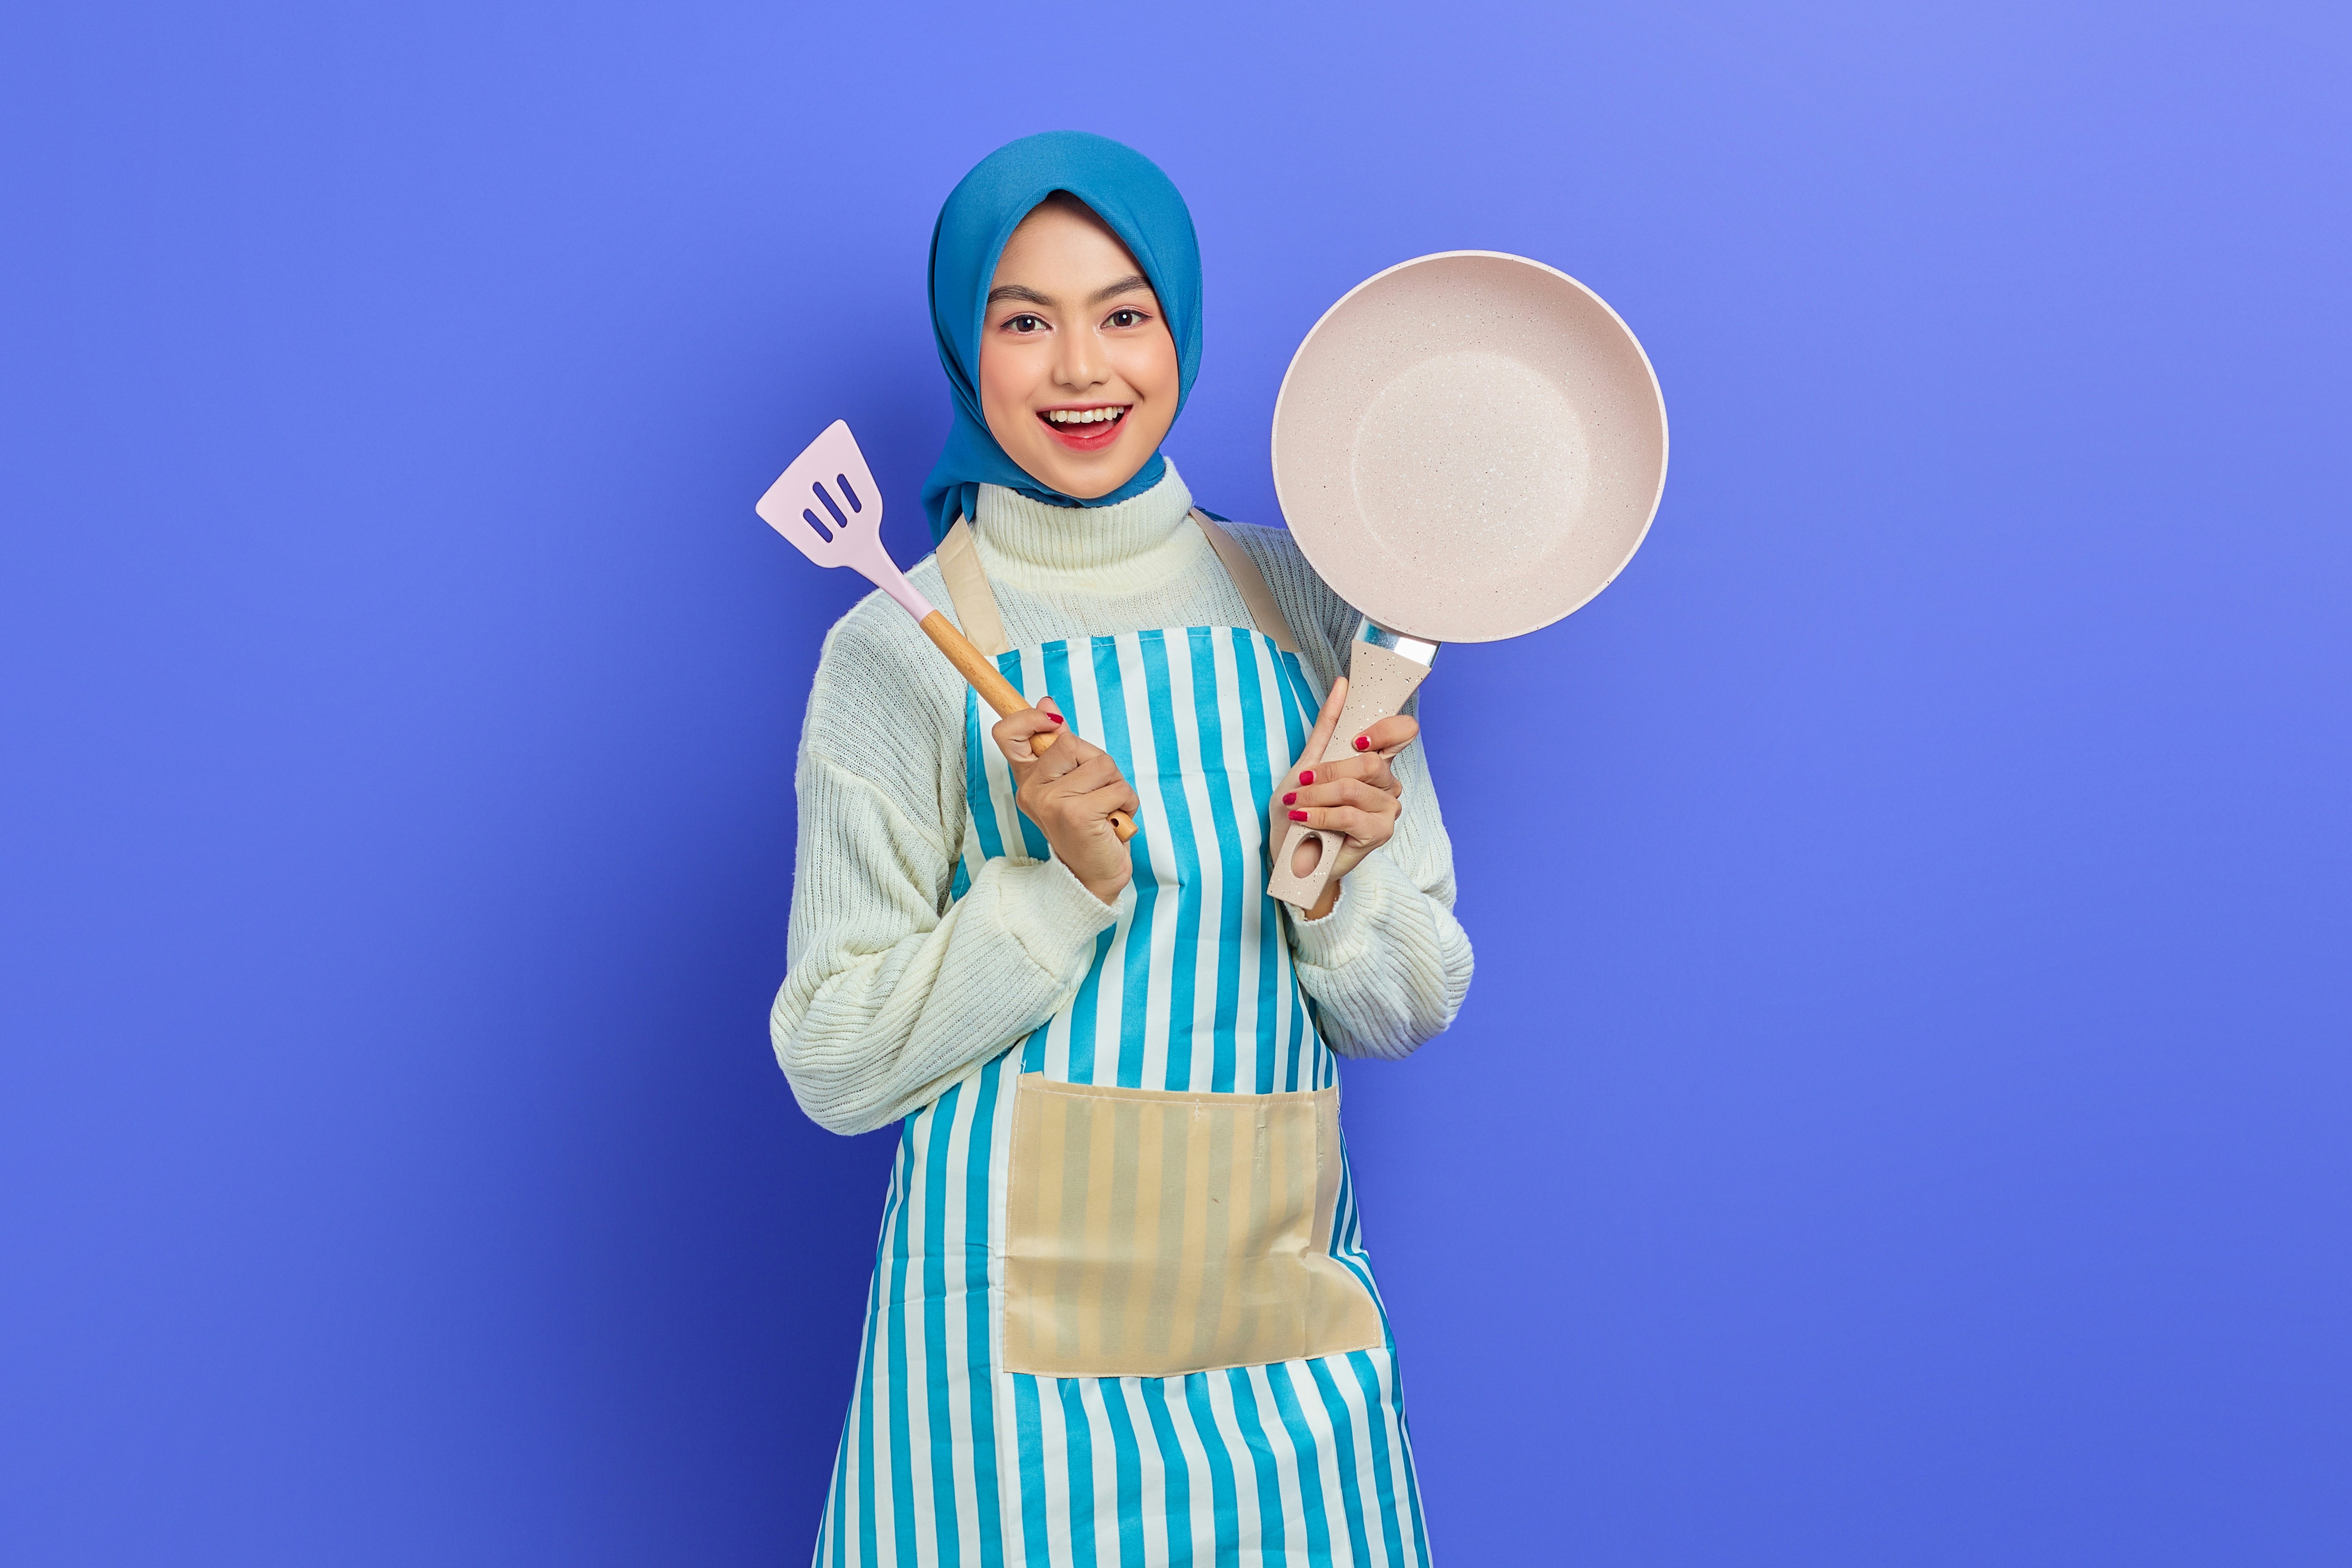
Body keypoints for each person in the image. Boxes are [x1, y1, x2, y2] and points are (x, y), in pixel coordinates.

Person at [773, 130, 1472, 1567]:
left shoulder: (1306, 601)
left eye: (1125, 313)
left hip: (1280, 1360)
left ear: (1182, 329)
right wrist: (1053, 891)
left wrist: (1335, 897)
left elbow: (1409, 1005)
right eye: (1025, 320)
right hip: (996, 1391)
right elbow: (832, 1059)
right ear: (969, 348)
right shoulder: (896, 648)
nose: (1083, 369)